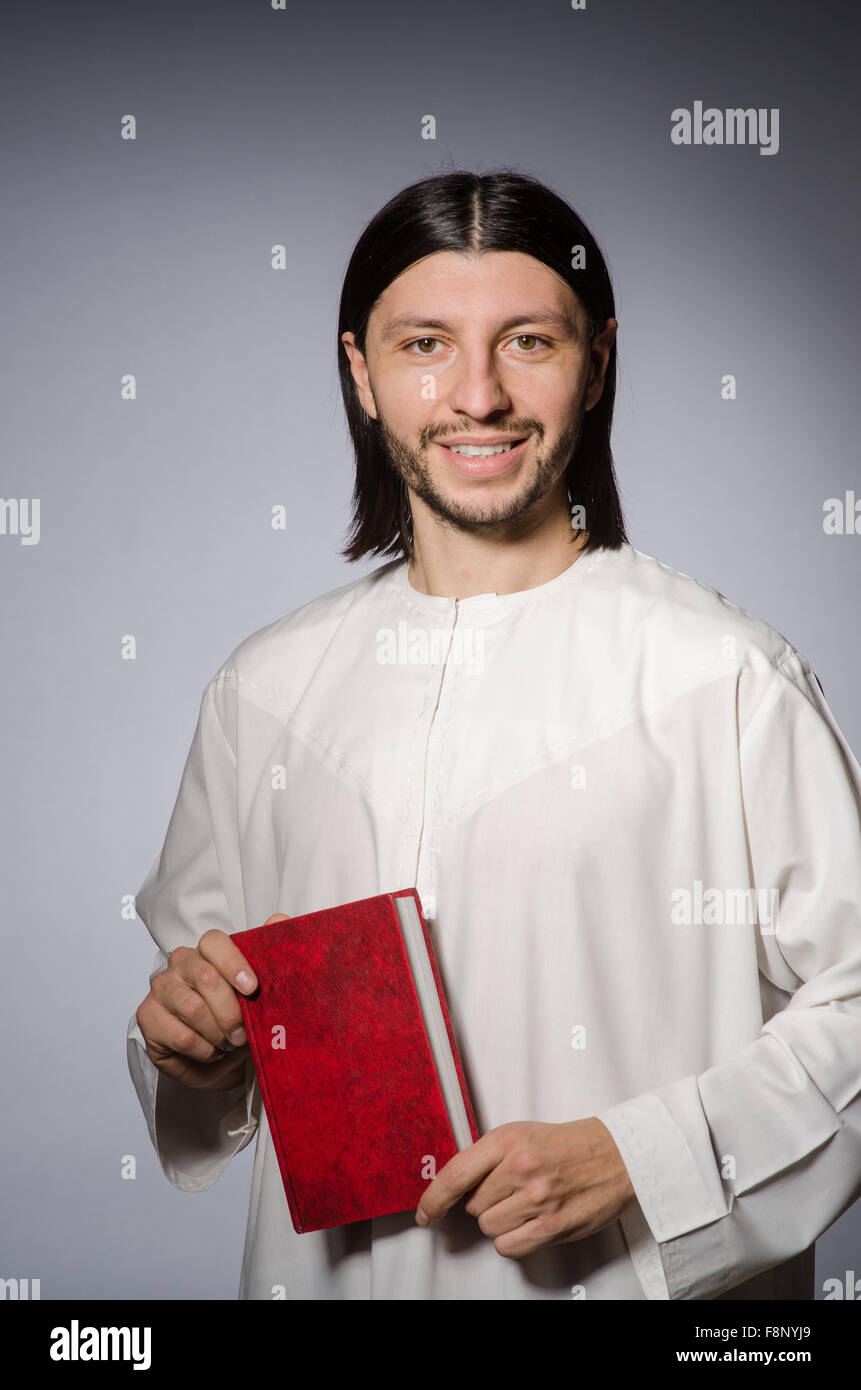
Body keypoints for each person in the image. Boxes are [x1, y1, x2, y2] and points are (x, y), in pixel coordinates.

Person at [127, 168, 861, 1300]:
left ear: (597, 363)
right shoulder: (263, 692)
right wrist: (193, 1046)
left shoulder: (725, 679)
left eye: (528, 341)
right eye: (425, 345)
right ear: (361, 373)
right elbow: (208, 1048)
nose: (477, 394)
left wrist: (643, 1156)